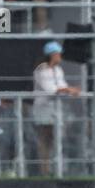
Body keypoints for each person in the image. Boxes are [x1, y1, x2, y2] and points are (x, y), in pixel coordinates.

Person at [31, 40, 79, 175]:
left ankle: (54, 169)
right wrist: (68, 89)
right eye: (58, 54)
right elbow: (50, 89)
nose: (60, 57)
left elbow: (62, 86)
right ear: (52, 55)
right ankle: (44, 170)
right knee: (44, 139)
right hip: (43, 110)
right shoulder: (41, 69)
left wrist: (68, 90)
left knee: (53, 140)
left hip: (55, 110)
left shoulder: (58, 70)